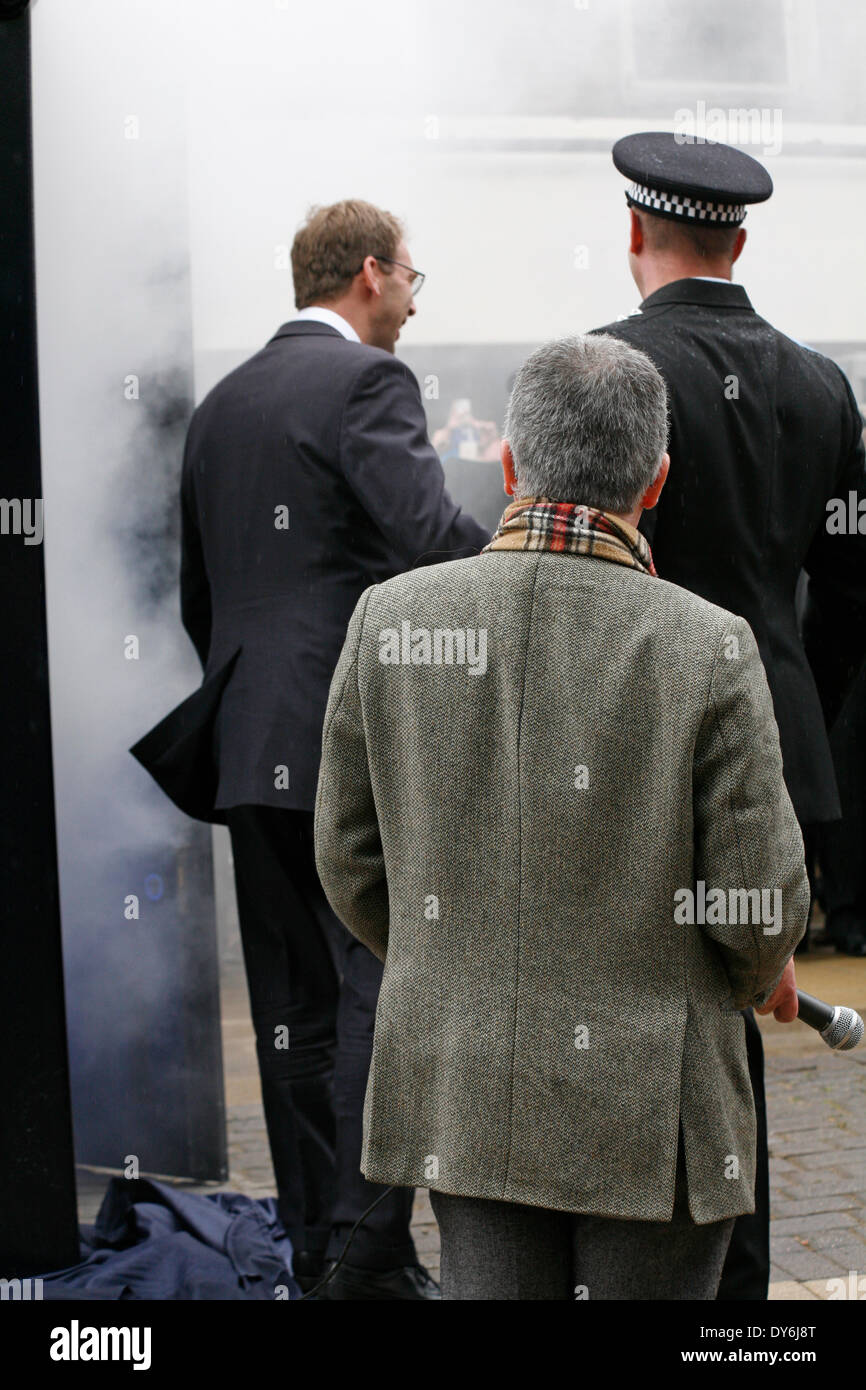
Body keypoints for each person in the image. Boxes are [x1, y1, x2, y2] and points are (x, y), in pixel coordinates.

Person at [314, 333, 809, 1301]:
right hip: (653, 1110)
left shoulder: (390, 619)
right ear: (656, 480)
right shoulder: (707, 646)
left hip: (467, 1088)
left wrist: (456, 961)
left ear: (506, 465)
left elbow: (349, 859)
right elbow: (755, 909)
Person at [170, 199, 489, 1298]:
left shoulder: (220, 404)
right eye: (411, 276)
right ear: (366, 273)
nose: (413, 297)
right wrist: (517, 553)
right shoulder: (368, 383)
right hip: (344, 741)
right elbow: (430, 538)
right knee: (375, 991)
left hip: (245, 734)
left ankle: (316, 1246)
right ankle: (368, 1252)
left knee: (290, 1010)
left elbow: (197, 596)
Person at [591, 131, 866, 1298]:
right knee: (729, 1018)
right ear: (739, 240)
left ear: (633, 234)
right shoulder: (820, 383)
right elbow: (848, 595)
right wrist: (798, 717)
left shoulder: (604, 370)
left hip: (634, 743)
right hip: (780, 740)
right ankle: (732, 1293)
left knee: (634, 1013)